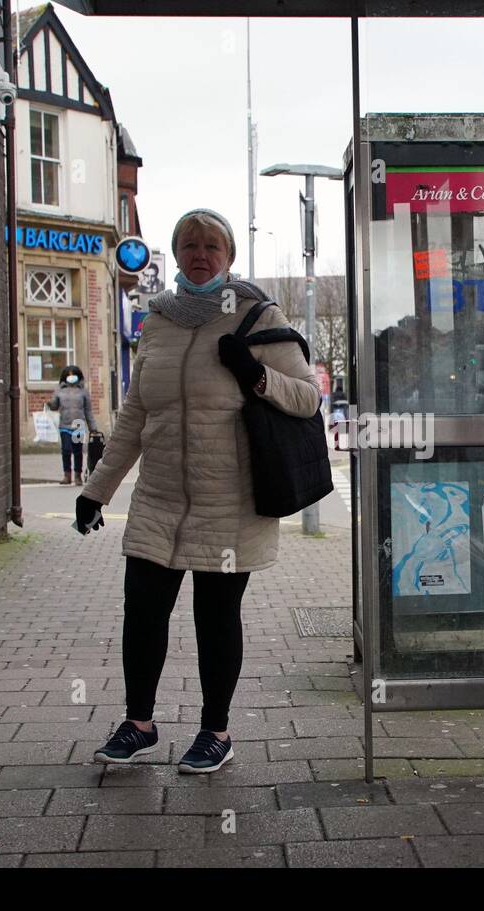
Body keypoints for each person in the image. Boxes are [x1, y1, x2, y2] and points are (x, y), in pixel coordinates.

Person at [75, 208, 321, 773]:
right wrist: (97, 490)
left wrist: (254, 375)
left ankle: (216, 732)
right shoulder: (158, 320)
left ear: (229, 256)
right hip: (159, 498)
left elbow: (308, 399)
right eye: (189, 244)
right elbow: (136, 412)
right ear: (177, 253)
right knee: (141, 612)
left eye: (212, 245)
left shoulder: (258, 315)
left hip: (228, 502)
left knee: (214, 619)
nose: (200, 254)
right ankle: (139, 724)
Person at [46, 365, 96, 485]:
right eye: (68, 375)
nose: (71, 377)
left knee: (78, 451)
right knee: (66, 450)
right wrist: (50, 404)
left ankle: (77, 475)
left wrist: (93, 427)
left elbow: (88, 410)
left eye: (73, 375)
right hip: (65, 425)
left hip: (78, 424)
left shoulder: (83, 391)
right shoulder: (59, 390)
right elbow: (55, 406)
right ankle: (67, 475)